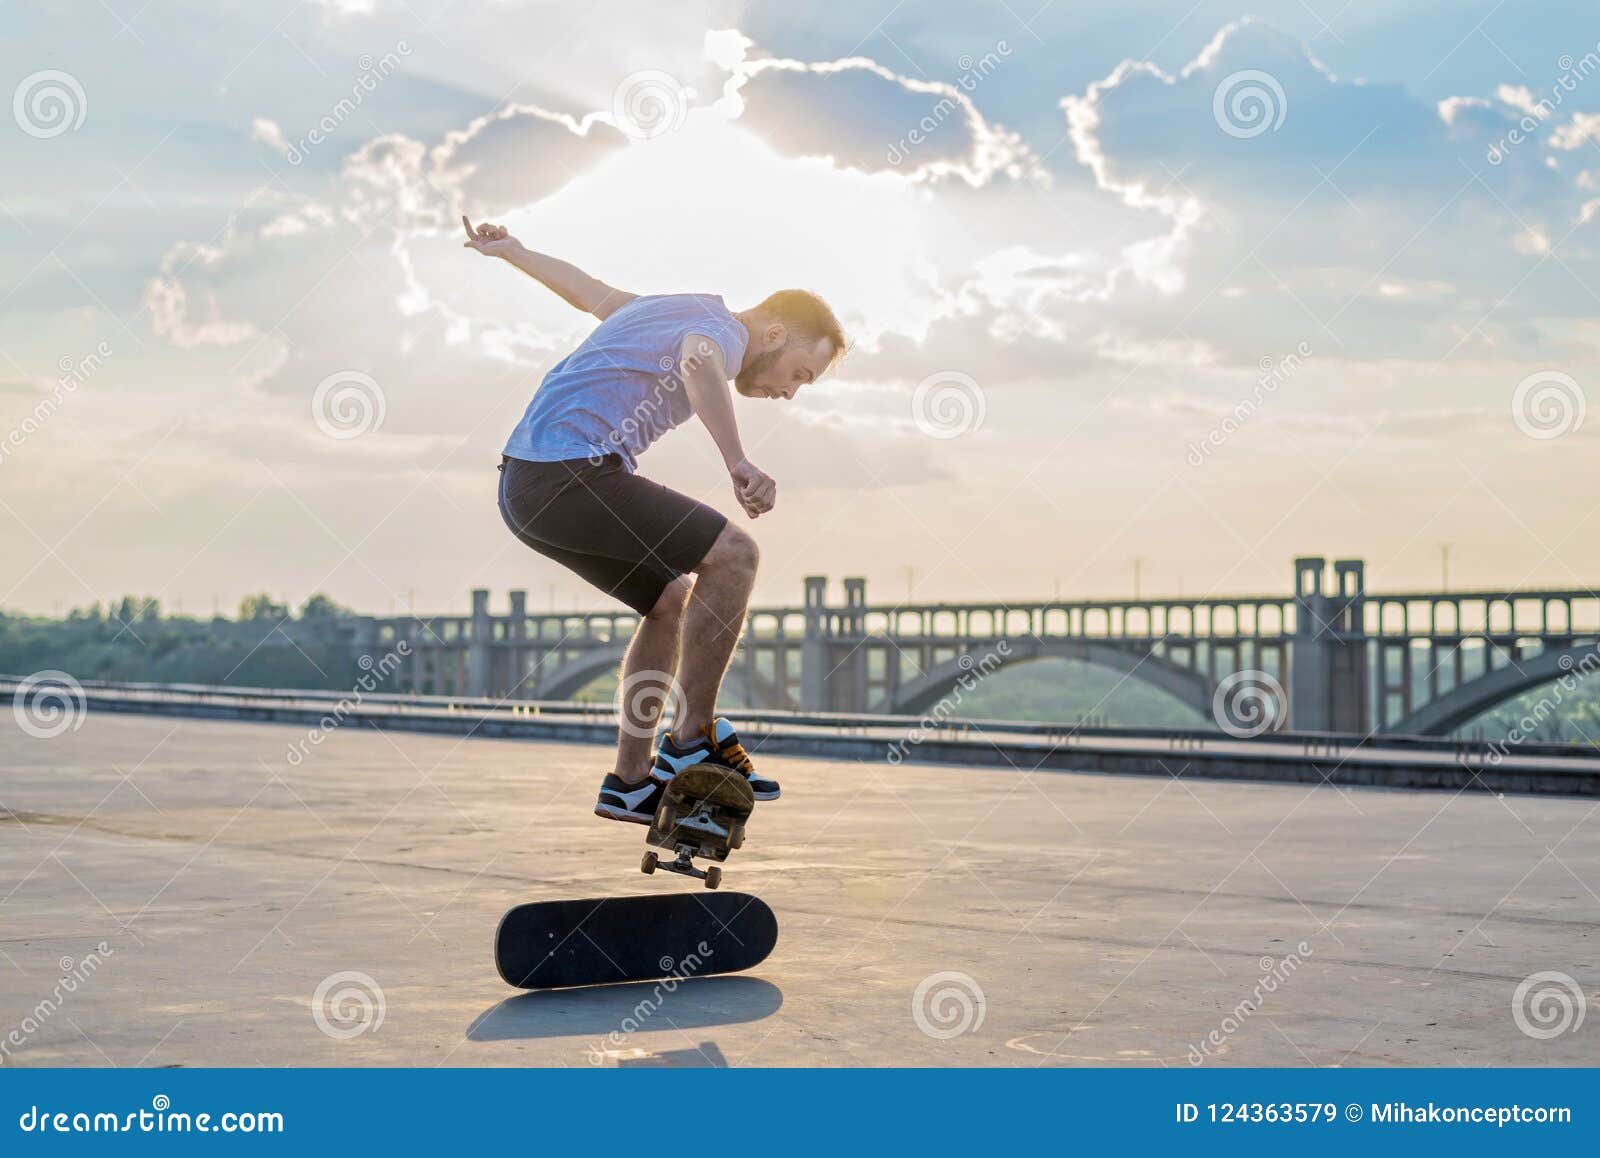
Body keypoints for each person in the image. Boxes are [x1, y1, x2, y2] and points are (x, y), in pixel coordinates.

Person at [463, 216, 845, 823]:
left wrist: (515, 252)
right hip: (570, 474)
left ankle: (630, 781)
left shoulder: (668, 309)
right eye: (799, 373)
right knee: (735, 555)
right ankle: (692, 738)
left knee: (670, 599)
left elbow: (591, 294)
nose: (791, 392)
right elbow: (698, 366)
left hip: (526, 488)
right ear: (773, 333)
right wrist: (738, 461)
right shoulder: (716, 331)